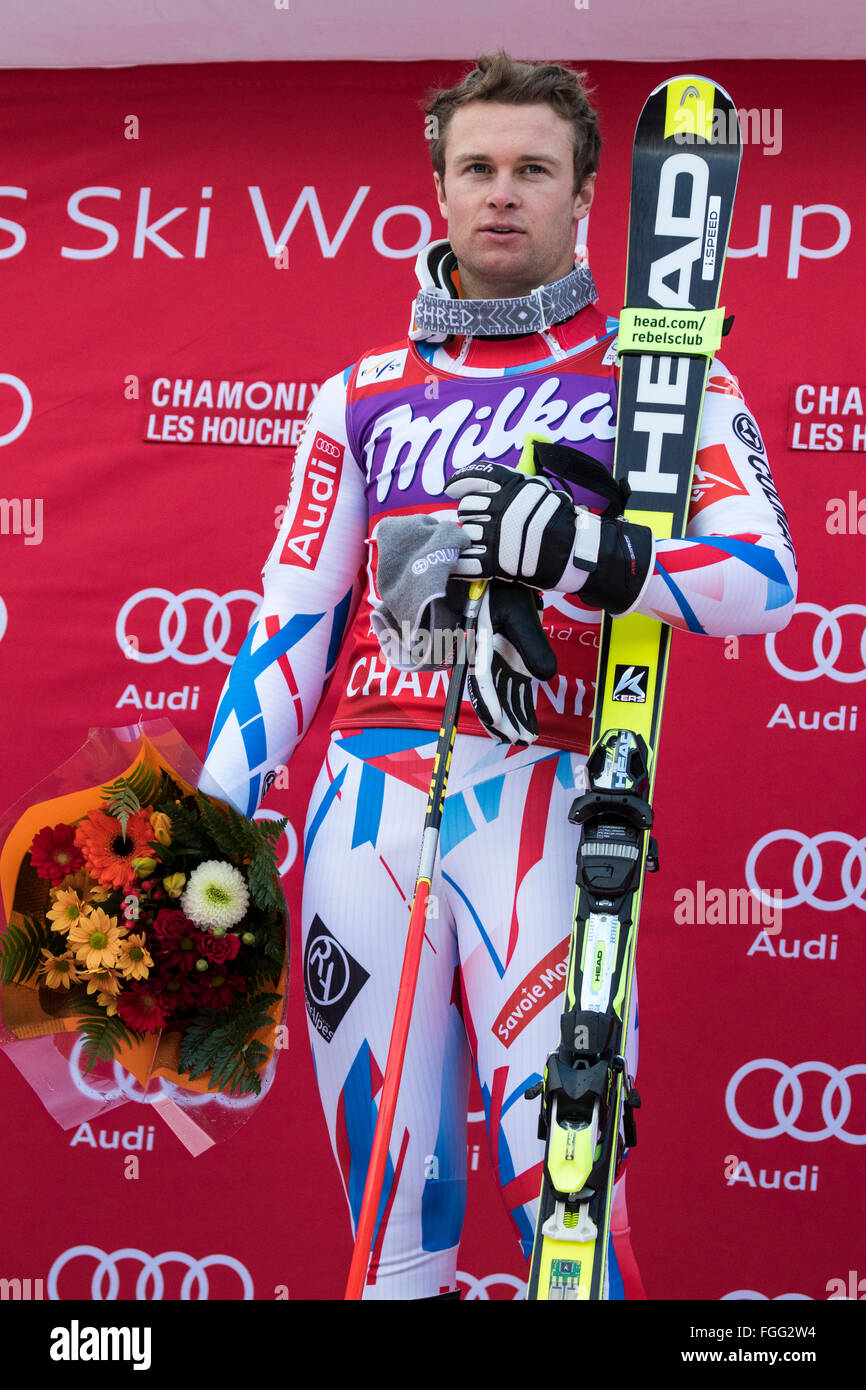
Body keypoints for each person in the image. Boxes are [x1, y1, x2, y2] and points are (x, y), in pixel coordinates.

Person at [200, 50, 797, 1299]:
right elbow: (291, 620)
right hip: (362, 812)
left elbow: (761, 575)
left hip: (546, 805)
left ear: (583, 194)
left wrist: (591, 551)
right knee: (386, 1224)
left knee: (564, 1209)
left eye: (534, 168)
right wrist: (206, 823)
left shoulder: (660, 372)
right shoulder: (360, 396)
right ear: (437, 188)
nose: (502, 193)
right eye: (477, 167)